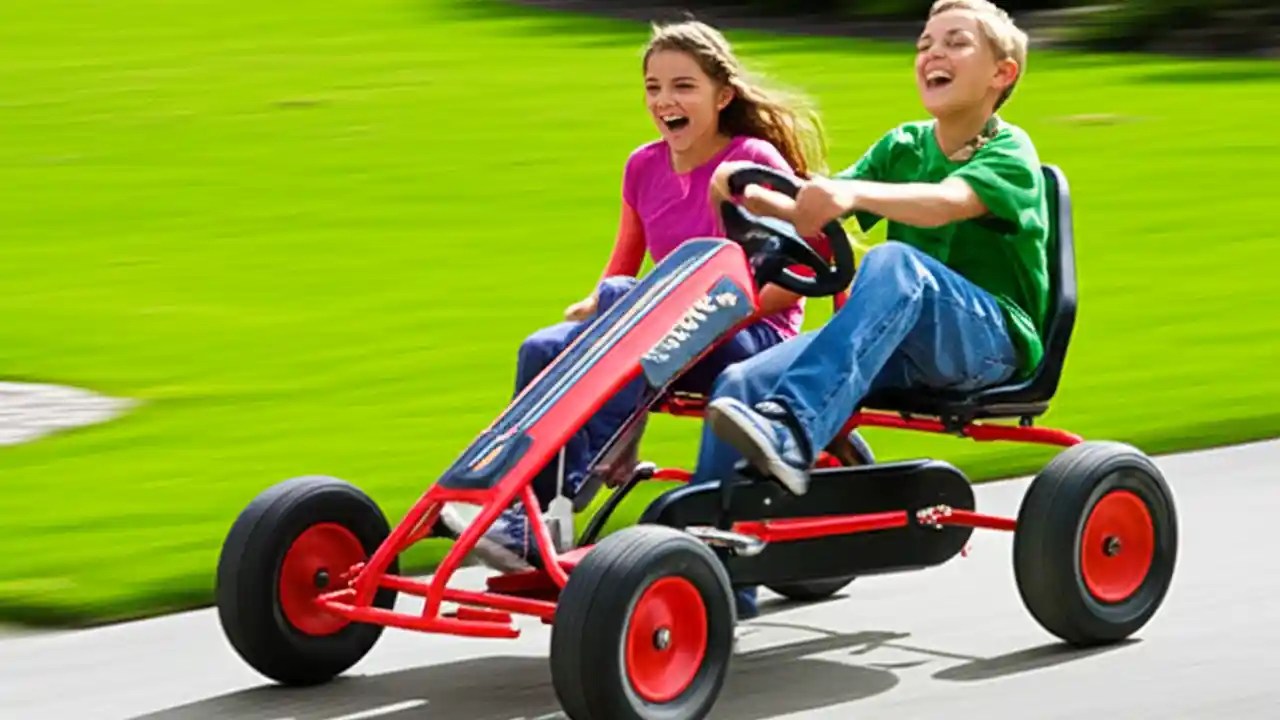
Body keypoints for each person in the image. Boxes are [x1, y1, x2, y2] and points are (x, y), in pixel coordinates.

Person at [440, 19, 858, 594]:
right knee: (541, 347)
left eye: (683, 86)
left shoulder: (749, 159)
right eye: (654, 87)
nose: (665, 101)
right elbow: (622, 266)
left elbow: (802, 267)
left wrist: (715, 311)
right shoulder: (643, 166)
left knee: (634, 320)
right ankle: (527, 516)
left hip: (749, 333)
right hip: (664, 326)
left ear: (722, 96)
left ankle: (579, 476)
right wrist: (593, 307)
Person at [698, 0, 1052, 617]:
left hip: (988, 344)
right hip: (897, 339)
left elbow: (945, 202)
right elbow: (822, 207)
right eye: (924, 43)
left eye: (956, 42)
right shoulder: (905, 144)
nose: (933, 54)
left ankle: (793, 430)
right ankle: (714, 575)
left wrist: (854, 192)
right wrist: (754, 191)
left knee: (891, 264)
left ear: (1003, 74)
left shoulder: (1010, 151)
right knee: (739, 381)